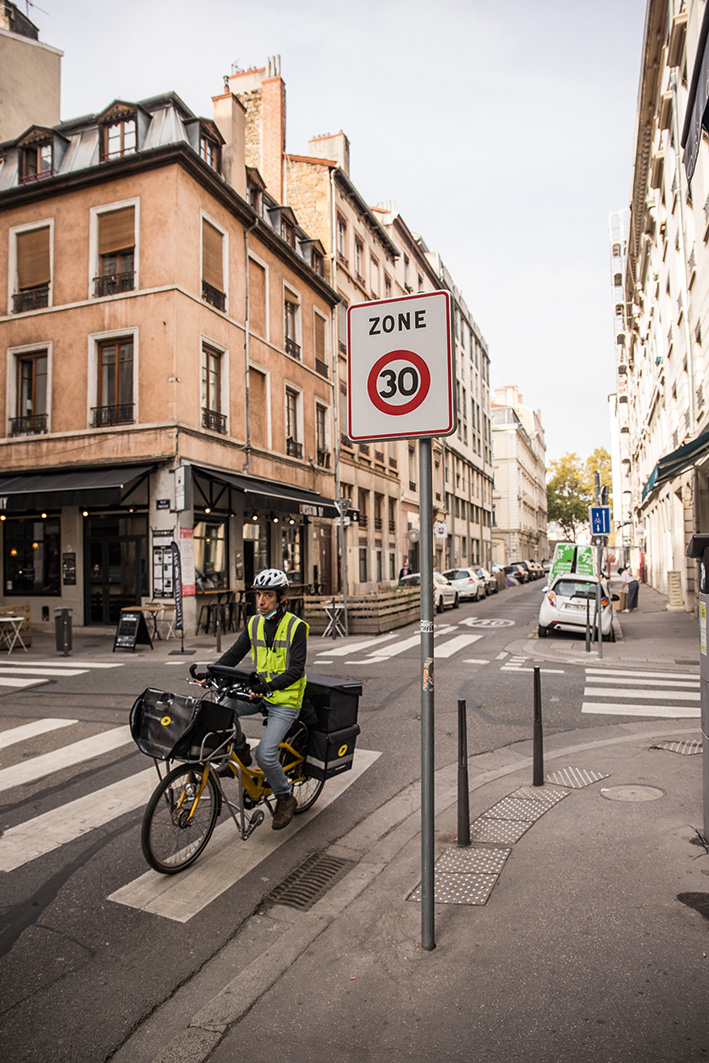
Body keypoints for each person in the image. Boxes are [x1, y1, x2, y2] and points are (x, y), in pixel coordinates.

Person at [213, 568, 309, 830]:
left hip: (285, 700)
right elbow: (233, 654)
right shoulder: (254, 623)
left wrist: (268, 687)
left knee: (266, 756)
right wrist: (211, 673)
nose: (261, 601)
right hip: (261, 694)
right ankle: (241, 751)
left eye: (268, 595)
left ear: (281, 599)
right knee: (224, 706)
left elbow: (296, 669)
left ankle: (285, 796)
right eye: (259, 595)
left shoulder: (296, 627)